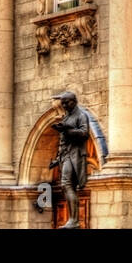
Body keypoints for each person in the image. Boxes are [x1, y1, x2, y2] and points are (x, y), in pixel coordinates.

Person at [48, 90, 90, 228]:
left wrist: (67, 129)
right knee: (65, 186)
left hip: (76, 155)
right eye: (63, 103)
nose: (64, 105)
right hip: (66, 155)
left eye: (66, 103)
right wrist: (56, 160)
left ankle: (74, 220)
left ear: (74, 101)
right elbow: (63, 142)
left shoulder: (81, 116)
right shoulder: (66, 117)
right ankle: (72, 220)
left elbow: (84, 133)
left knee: (67, 184)